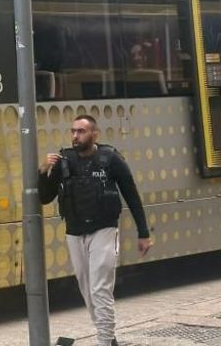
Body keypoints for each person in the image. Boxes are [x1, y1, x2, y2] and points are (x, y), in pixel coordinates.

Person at [38, 115, 153, 346]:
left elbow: (131, 193)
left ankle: (103, 341)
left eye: (81, 131)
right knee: (87, 289)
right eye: (73, 131)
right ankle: (109, 339)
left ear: (94, 134)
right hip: (74, 232)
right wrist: (44, 171)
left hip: (104, 230)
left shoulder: (110, 158)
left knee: (100, 288)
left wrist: (144, 232)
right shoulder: (64, 160)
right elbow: (45, 197)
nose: (75, 136)